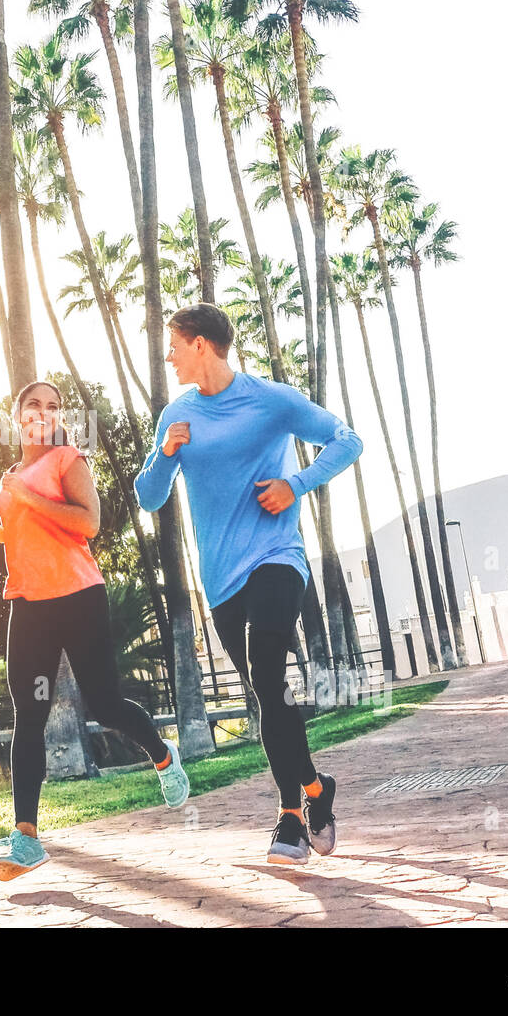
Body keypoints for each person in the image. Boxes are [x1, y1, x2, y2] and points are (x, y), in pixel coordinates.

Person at [134, 304, 364, 866]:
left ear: (203, 345)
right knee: (267, 694)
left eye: (174, 344)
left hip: (277, 558)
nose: (168, 354)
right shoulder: (175, 417)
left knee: (266, 672)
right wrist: (165, 456)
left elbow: (346, 441)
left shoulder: (271, 400)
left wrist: (296, 483)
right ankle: (314, 789)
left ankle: (289, 816)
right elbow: (148, 496)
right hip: (219, 579)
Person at [0, 380, 190, 881]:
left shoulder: (67, 460)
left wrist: (24, 497)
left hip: (78, 596)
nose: (43, 412)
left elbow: (87, 522)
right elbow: (34, 529)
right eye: (33, 404)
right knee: (28, 716)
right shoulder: (10, 475)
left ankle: (162, 753)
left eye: (52, 406)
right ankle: (26, 838)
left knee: (104, 704)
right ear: (16, 415)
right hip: (28, 601)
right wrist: (2, 532)